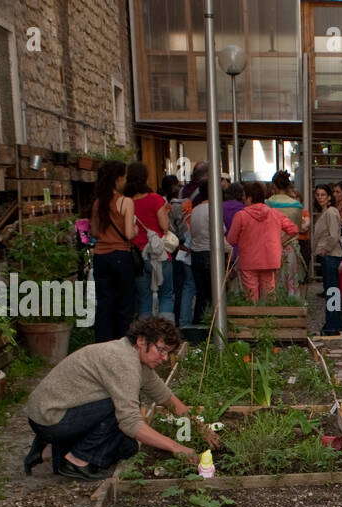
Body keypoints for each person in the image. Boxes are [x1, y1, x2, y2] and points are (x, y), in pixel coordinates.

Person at [23, 317, 206, 481]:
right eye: (162, 350)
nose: (164, 358)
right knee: (119, 408)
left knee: (128, 448)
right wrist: (176, 447)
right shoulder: (123, 362)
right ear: (142, 341)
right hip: (50, 416)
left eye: (168, 353)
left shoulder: (136, 358)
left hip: (57, 412)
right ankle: (76, 461)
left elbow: (165, 396)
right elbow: (130, 422)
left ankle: (49, 451)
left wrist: (200, 427)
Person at [226, 181, 299, 302]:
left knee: (251, 297)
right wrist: (280, 241)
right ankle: (268, 319)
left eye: (244, 196)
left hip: (248, 260)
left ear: (249, 198)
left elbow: (231, 239)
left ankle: (253, 318)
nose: (243, 199)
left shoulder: (241, 216)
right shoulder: (274, 213)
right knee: (268, 296)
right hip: (270, 260)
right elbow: (294, 229)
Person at [88, 160, 136, 343]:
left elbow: (94, 232)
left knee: (104, 303)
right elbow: (129, 234)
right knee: (124, 305)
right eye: (124, 177)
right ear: (118, 179)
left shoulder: (98, 203)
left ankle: (103, 344)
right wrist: (136, 230)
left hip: (101, 257)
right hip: (121, 255)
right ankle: (122, 343)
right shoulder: (125, 202)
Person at [124, 162, 174, 321]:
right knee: (165, 295)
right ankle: (165, 336)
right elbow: (164, 226)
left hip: (138, 257)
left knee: (144, 299)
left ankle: (144, 338)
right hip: (159, 254)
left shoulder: (126, 201)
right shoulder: (155, 199)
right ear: (146, 178)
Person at [162, 174, 195, 328]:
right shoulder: (183, 205)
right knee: (184, 285)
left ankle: (171, 320)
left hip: (167, 248)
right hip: (182, 247)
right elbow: (184, 228)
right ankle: (181, 319)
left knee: (171, 288)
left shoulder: (163, 204)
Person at [312, 183, 342, 335]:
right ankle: (334, 322)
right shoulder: (326, 212)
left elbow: (333, 235)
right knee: (332, 291)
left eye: (323, 195)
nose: (320, 198)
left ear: (329, 197)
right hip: (328, 256)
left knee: (332, 291)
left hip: (331, 256)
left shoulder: (331, 212)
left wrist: (324, 249)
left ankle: (333, 324)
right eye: (318, 195)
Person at [268, 171, 307, 298]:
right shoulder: (296, 205)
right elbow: (297, 227)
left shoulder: (267, 204)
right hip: (291, 248)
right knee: (291, 282)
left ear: (274, 185)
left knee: (273, 283)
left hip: (271, 248)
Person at [188, 182, 213, 324]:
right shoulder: (213, 209)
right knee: (213, 294)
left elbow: (191, 232)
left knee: (201, 294)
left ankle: (198, 324)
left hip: (196, 254)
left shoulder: (195, 210)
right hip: (210, 254)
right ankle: (212, 324)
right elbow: (221, 231)